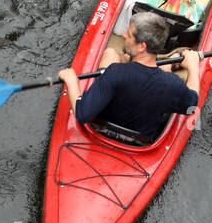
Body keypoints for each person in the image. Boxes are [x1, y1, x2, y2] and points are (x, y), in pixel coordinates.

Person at [57, 11, 200, 142]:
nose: (124, 35)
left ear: (142, 47)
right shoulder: (172, 83)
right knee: (114, 54)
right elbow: (191, 106)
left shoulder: (114, 72)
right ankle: (167, 63)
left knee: (110, 54)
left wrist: (71, 81)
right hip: (138, 141)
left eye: (130, 35)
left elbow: (82, 113)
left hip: (101, 128)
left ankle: (142, 61)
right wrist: (193, 67)